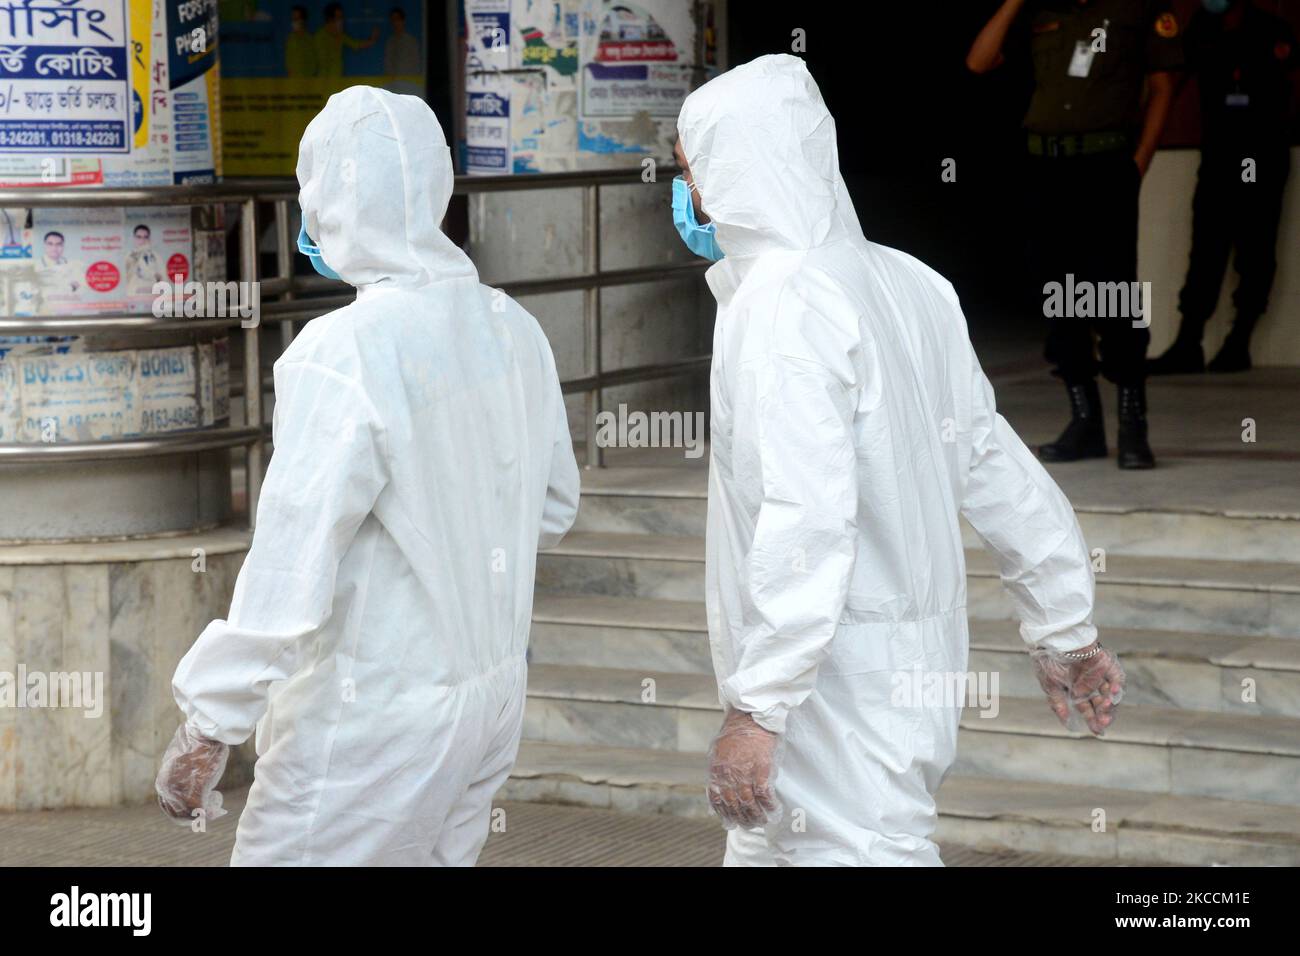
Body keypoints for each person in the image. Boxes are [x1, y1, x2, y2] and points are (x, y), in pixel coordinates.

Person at [674, 54, 1124, 866]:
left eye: (693, 170)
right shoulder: (908, 281)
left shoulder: (784, 301)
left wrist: (760, 706)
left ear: (734, 168)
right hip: (890, 663)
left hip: (833, 680)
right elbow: (992, 464)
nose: (690, 196)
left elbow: (808, 513)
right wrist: (1064, 627)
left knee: (862, 852)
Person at [155, 86, 581, 866]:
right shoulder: (512, 327)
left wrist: (210, 724)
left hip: (372, 720)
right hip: (486, 704)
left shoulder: (343, 350)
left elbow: (292, 562)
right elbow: (553, 507)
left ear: (334, 201)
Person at [967, 0, 1183, 469]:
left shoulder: (1138, 9)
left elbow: (1164, 87)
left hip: (1106, 164)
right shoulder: (1041, 11)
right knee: (1059, 292)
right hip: (1046, 167)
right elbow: (979, 62)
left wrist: (1139, 161)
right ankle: (1084, 421)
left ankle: (1132, 424)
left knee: (1112, 291)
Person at [1149, 0, 1298, 374]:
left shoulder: (1271, 30)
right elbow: (1175, 77)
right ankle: (1188, 341)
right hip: (1219, 157)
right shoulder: (1201, 28)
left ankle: (1239, 341)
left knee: (1256, 249)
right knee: (1205, 249)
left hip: (1262, 156)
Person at [315, 3, 380, 79]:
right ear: (330, 19)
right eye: (339, 17)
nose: (341, 20)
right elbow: (321, 61)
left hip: (337, 79)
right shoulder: (320, 36)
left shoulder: (341, 35)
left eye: (342, 17)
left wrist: (373, 38)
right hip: (323, 80)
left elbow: (356, 44)